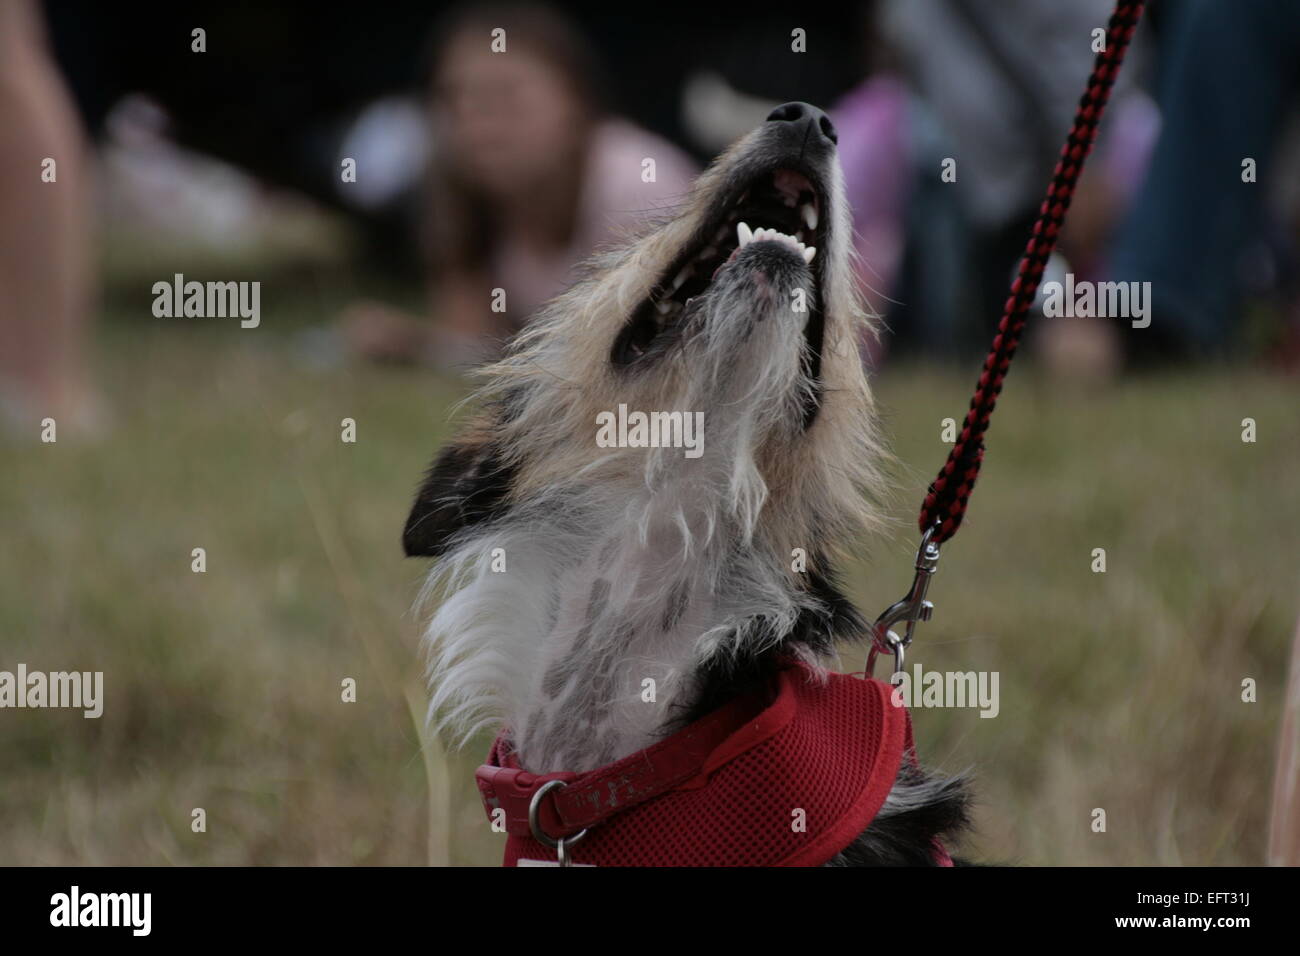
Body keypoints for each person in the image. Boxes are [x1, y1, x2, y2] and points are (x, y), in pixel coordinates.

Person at [342, 2, 698, 368]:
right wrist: (419, 344)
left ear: (575, 100)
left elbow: (656, 359)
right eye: (455, 100)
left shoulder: (634, 180)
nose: (479, 126)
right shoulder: (466, 192)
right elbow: (483, 350)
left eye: (506, 97)